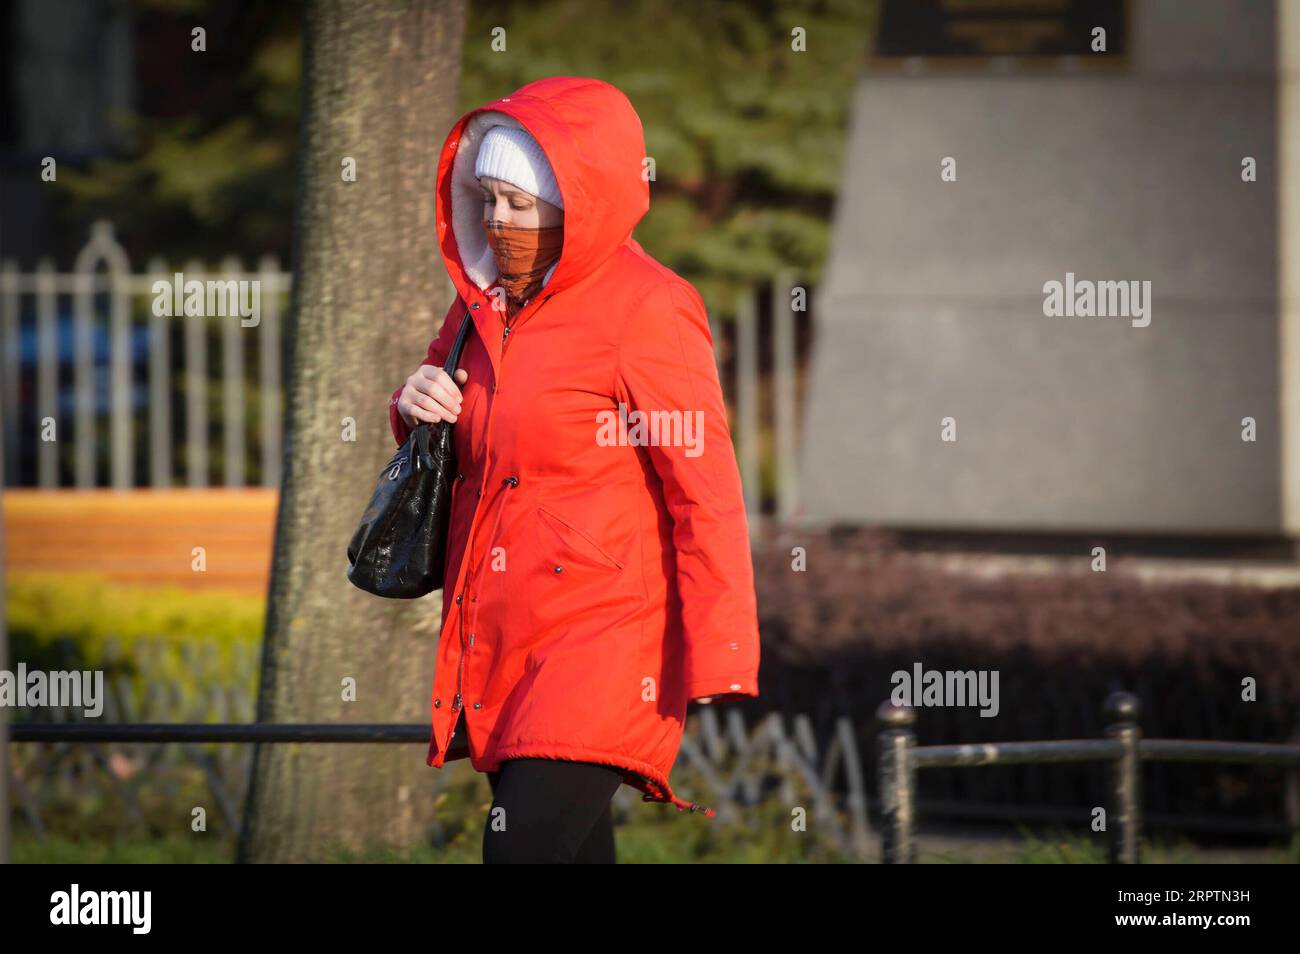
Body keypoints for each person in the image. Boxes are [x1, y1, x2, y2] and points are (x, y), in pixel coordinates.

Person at [389, 76, 760, 864]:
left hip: (605, 640)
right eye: (488, 198)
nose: (498, 220)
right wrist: (414, 403)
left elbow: (707, 493)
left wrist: (721, 651)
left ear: (577, 201)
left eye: (520, 204)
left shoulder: (649, 307)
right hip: (502, 628)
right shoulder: (481, 304)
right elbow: (462, 443)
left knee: (518, 852)